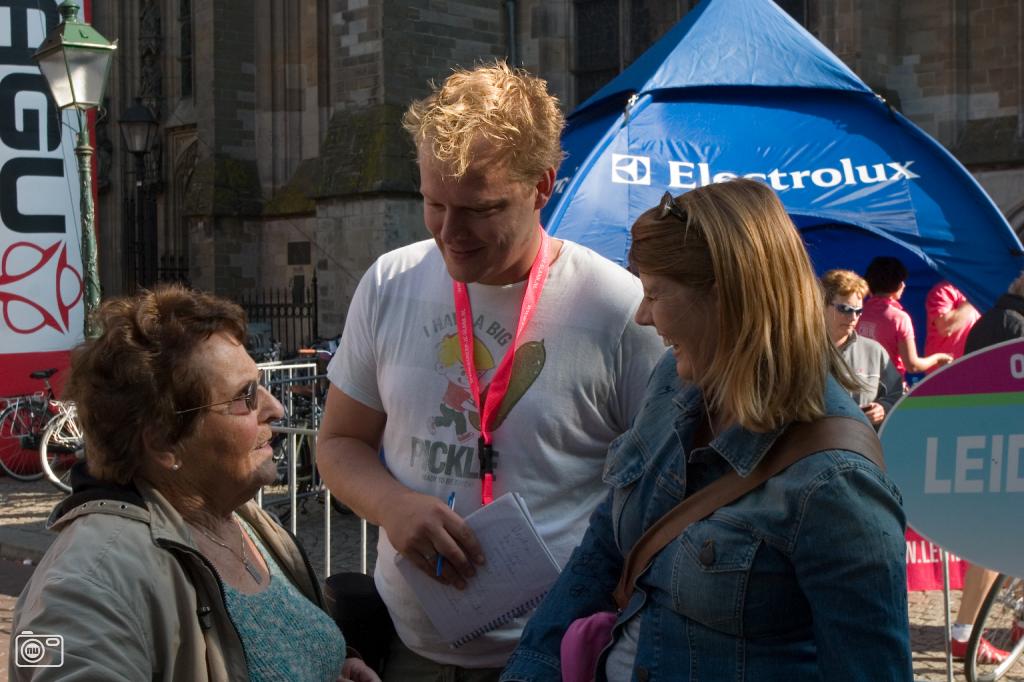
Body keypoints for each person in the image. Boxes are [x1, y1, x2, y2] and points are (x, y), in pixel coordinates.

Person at [315, 61, 664, 681]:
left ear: (543, 185)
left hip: (554, 657)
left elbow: (664, 497)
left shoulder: (617, 309)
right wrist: (393, 506)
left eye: (480, 209)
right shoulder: (389, 283)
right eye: (433, 203)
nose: (451, 233)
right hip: (406, 651)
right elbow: (339, 443)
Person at [502, 180, 912, 681]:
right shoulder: (672, 385)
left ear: (727, 298)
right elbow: (604, 546)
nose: (643, 315)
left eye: (655, 293)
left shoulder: (836, 483)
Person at [10, 285, 377, 682]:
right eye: (246, 396)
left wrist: (332, 665)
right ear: (165, 441)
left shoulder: (240, 518)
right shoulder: (85, 586)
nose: (276, 408)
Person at [946, 271, 1024, 664]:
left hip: (990, 442)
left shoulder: (991, 318)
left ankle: (1017, 618)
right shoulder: (1016, 327)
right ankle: (965, 634)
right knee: (995, 542)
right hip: (1006, 447)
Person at [820, 269, 903, 427]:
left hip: (860, 444)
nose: (853, 318)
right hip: (812, 445)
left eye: (858, 311)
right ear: (821, 304)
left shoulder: (874, 351)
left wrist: (883, 408)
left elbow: (897, 395)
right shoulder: (800, 351)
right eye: (845, 309)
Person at [857, 256, 953, 378]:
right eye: (902, 281)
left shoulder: (855, 313)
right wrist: (938, 358)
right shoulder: (900, 318)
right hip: (890, 390)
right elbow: (912, 366)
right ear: (898, 284)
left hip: (859, 388)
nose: (904, 285)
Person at [923, 280, 979, 373]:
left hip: (973, 370)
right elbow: (945, 327)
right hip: (944, 373)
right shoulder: (943, 290)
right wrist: (973, 298)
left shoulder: (983, 295)